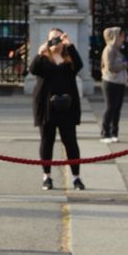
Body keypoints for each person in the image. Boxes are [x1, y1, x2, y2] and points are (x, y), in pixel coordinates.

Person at [30, 28, 85, 191]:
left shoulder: (68, 59)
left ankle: (76, 177)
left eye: (58, 39)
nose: (55, 42)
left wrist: (71, 45)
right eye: (52, 39)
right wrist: (41, 52)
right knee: (47, 141)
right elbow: (32, 69)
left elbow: (79, 66)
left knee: (71, 142)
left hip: (66, 107)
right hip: (47, 106)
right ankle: (47, 176)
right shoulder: (44, 59)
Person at [100, 27, 128, 143]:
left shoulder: (117, 49)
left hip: (119, 82)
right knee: (110, 107)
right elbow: (109, 67)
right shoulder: (109, 50)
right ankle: (105, 133)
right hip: (111, 82)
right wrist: (123, 66)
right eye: (121, 36)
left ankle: (114, 132)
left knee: (117, 109)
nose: (123, 38)